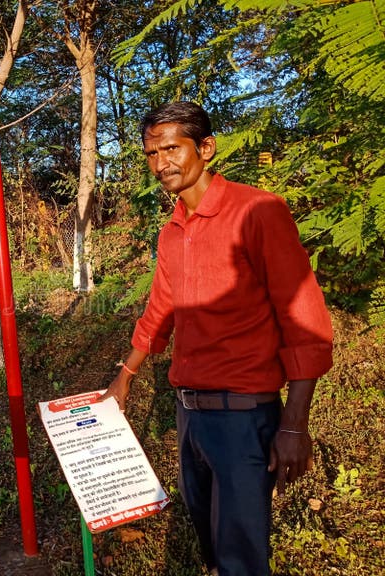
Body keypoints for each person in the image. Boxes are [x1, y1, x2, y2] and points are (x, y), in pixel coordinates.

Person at [103, 101, 333, 576]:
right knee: (210, 543)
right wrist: (124, 376)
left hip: (243, 420)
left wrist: (293, 425)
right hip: (189, 416)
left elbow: (303, 318)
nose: (160, 163)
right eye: (151, 153)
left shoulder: (257, 212)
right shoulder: (173, 232)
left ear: (205, 147)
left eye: (171, 149)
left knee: (241, 558)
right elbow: (159, 310)